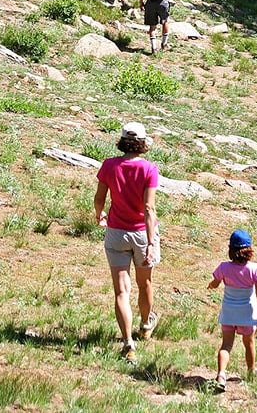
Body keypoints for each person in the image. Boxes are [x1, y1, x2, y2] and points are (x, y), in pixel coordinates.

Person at [94, 121, 161, 365]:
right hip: (142, 233)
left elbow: (99, 198)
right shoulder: (149, 169)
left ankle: (127, 343)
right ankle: (145, 324)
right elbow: (149, 207)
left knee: (122, 290)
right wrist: (151, 241)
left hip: (116, 233)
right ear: (142, 143)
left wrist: (100, 214)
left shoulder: (109, 165)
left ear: (122, 141)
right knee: (145, 284)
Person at [207, 228, 257, 391]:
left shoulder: (224, 267)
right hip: (246, 314)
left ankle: (220, 374)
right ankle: (251, 371)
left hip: (228, 313)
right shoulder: (254, 268)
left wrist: (211, 285)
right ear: (249, 250)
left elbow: (216, 282)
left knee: (226, 345)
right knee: (249, 343)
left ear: (231, 250)